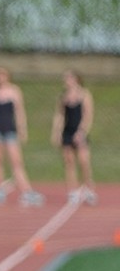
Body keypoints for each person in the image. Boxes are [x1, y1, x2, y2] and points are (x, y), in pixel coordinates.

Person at [0, 66, 43, 206]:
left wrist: (22, 129)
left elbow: (20, 112)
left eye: (2, 74)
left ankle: (26, 191)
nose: (0, 77)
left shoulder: (14, 91)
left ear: (8, 76)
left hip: (10, 129)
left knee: (16, 162)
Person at [51, 70, 96, 206]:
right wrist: (56, 132)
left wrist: (81, 131)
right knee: (69, 162)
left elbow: (88, 115)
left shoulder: (84, 94)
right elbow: (60, 115)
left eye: (69, 78)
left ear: (76, 79)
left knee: (84, 162)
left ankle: (89, 188)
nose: (66, 81)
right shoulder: (63, 97)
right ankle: (73, 191)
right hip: (67, 131)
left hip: (79, 132)